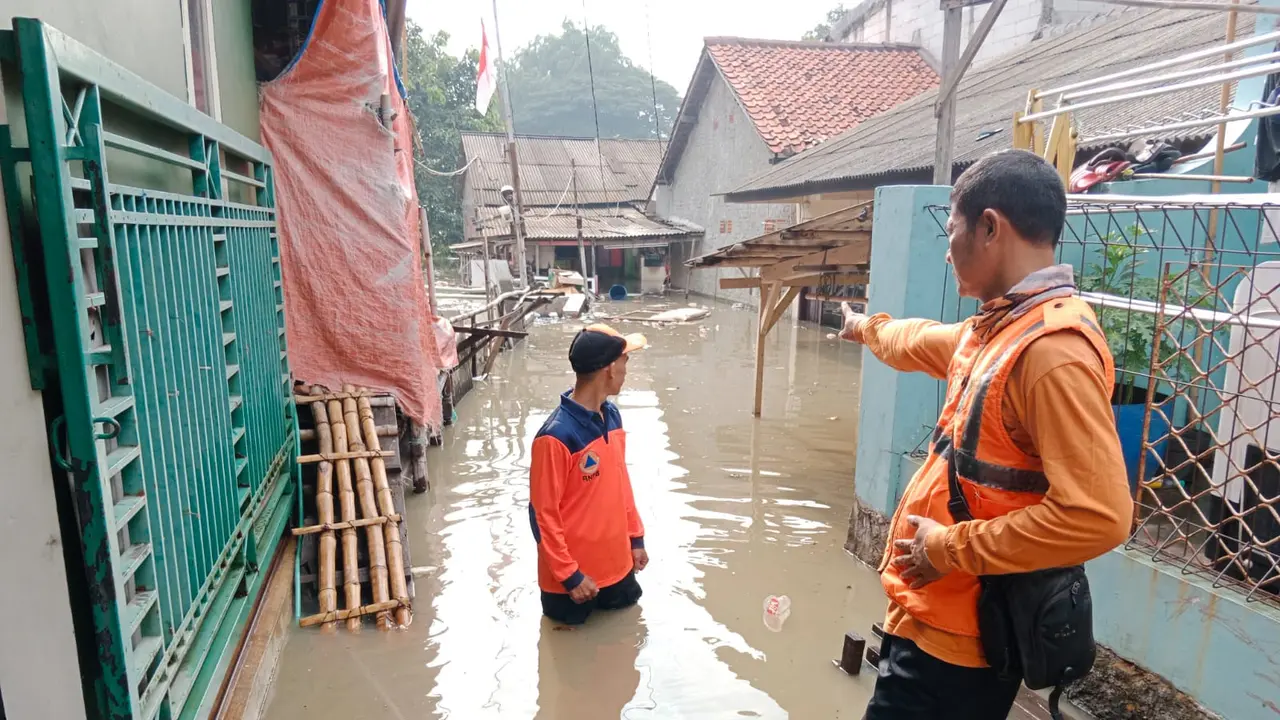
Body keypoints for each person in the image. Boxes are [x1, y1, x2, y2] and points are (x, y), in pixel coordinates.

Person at [839, 150, 1133, 719]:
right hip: (929, 617)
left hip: (962, 644)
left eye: (952, 231)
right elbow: (917, 339)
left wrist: (949, 548)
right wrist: (863, 327)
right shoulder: (999, 329)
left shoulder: (1052, 355)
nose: (946, 248)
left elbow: (1098, 515)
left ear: (990, 227)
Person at [529, 324, 650, 625]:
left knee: (625, 650)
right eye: (625, 361)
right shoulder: (556, 436)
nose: (626, 370)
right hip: (570, 582)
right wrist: (569, 575)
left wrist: (635, 538)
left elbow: (620, 480)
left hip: (618, 566)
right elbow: (541, 515)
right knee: (568, 658)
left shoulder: (612, 416)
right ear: (610, 369)